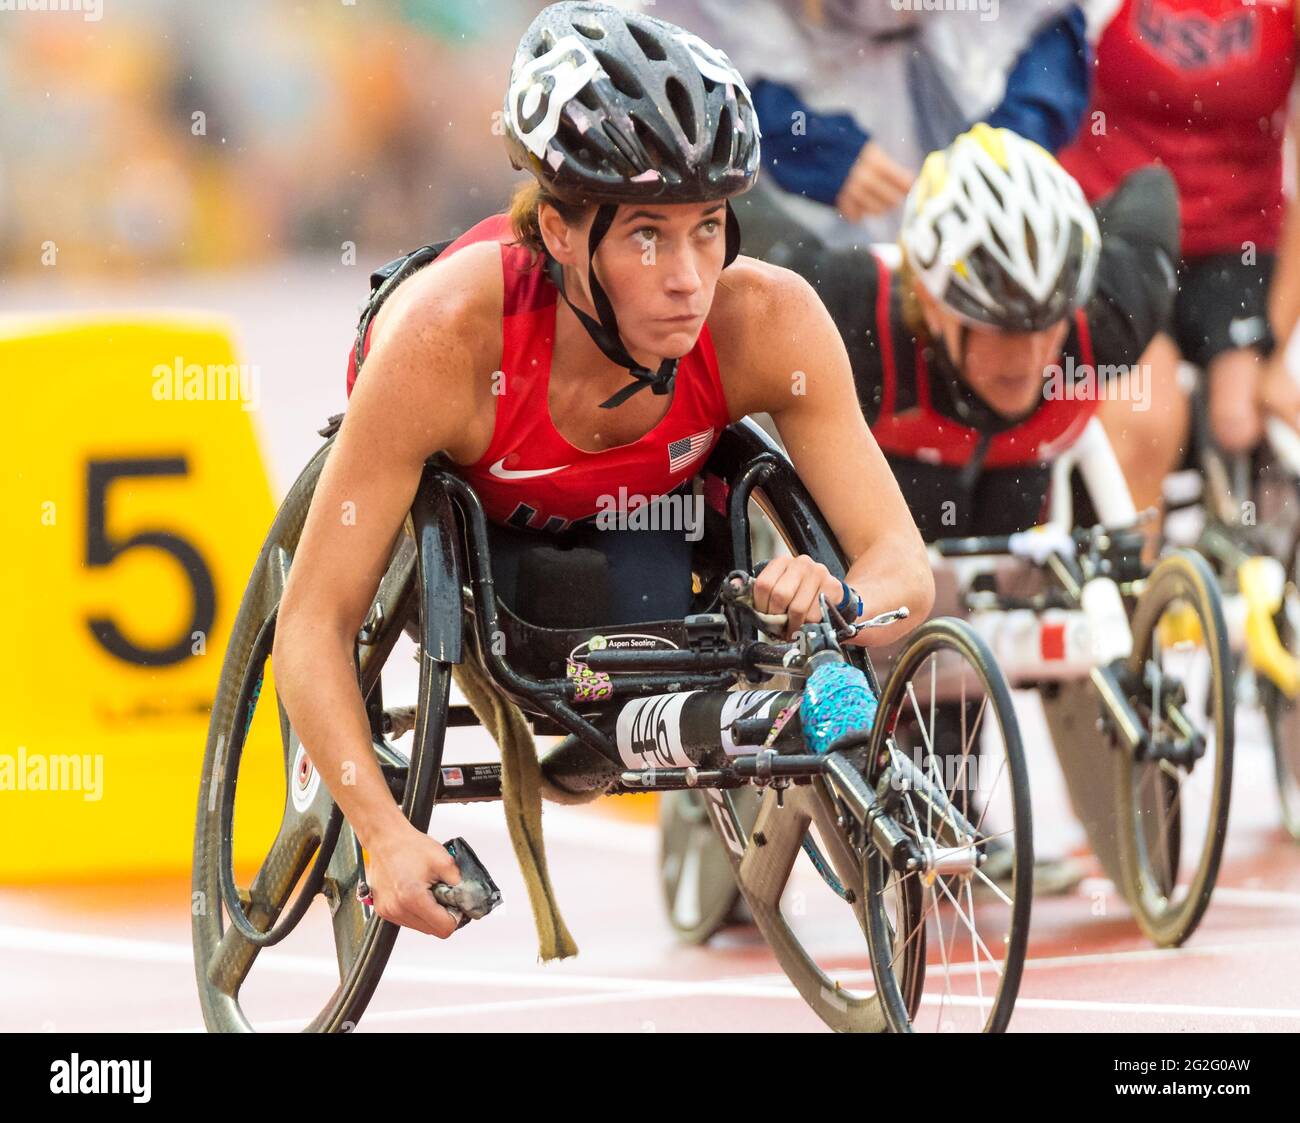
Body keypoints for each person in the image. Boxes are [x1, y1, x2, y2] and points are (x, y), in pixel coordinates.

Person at [270, 2, 933, 940]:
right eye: (650, 237)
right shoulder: (441, 343)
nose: (690, 278)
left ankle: (646, 751)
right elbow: (311, 626)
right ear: (562, 231)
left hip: (639, 526)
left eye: (709, 228)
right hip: (477, 522)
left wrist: (841, 602)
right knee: (551, 605)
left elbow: (905, 565)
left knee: (660, 606)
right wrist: (382, 831)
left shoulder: (769, 321)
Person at [751, 124, 1180, 891]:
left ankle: (949, 792)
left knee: (1001, 553)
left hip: (1009, 524)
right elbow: (751, 231)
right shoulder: (850, 314)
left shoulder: (1107, 315)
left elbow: (1152, 189)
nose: (1024, 356)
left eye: (1041, 324)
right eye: (994, 328)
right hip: (879, 531)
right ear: (934, 303)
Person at [1059, 0, 1300, 518]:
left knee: (1240, 416)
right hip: (1119, 230)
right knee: (1146, 414)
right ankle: (1135, 585)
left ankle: (1236, 559)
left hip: (1235, 245)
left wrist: (1276, 355)